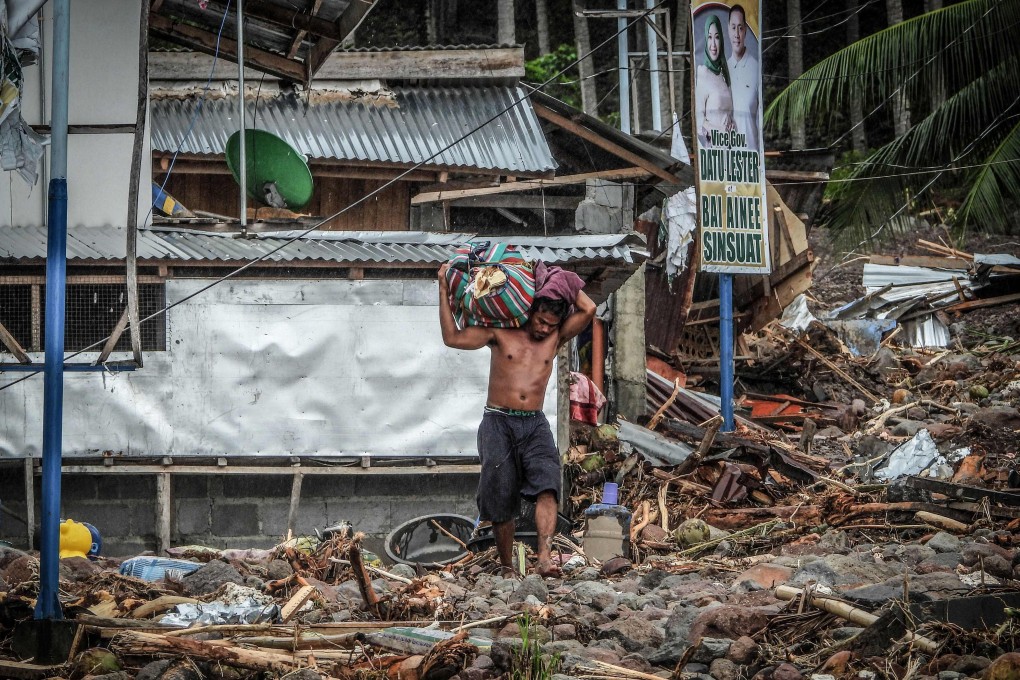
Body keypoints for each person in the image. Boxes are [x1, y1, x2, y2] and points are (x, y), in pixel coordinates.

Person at [437, 263, 595, 578]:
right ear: (528, 311)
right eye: (540, 320)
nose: (544, 329)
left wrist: (558, 282)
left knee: (549, 484)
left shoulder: (556, 337)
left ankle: (546, 558)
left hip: (534, 422)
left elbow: (588, 308)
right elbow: (452, 338)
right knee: (500, 496)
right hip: (498, 420)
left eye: (551, 324)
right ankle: (507, 566)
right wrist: (443, 287)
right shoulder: (501, 332)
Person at [695, 13, 735, 148]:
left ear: (722, 40)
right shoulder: (703, 73)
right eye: (709, 37)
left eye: (717, 37)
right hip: (714, 151)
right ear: (705, 40)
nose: (713, 44)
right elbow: (698, 121)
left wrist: (731, 124)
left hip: (731, 148)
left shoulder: (724, 74)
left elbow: (728, 115)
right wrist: (717, 131)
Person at [727, 4, 761, 150]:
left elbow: (761, 120)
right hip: (725, 160)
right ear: (728, 29)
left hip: (750, 157)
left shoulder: (756, 68)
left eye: (740, 28)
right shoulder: (722, 70)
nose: (736, 34)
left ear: (745, 30)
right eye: (733, 27)